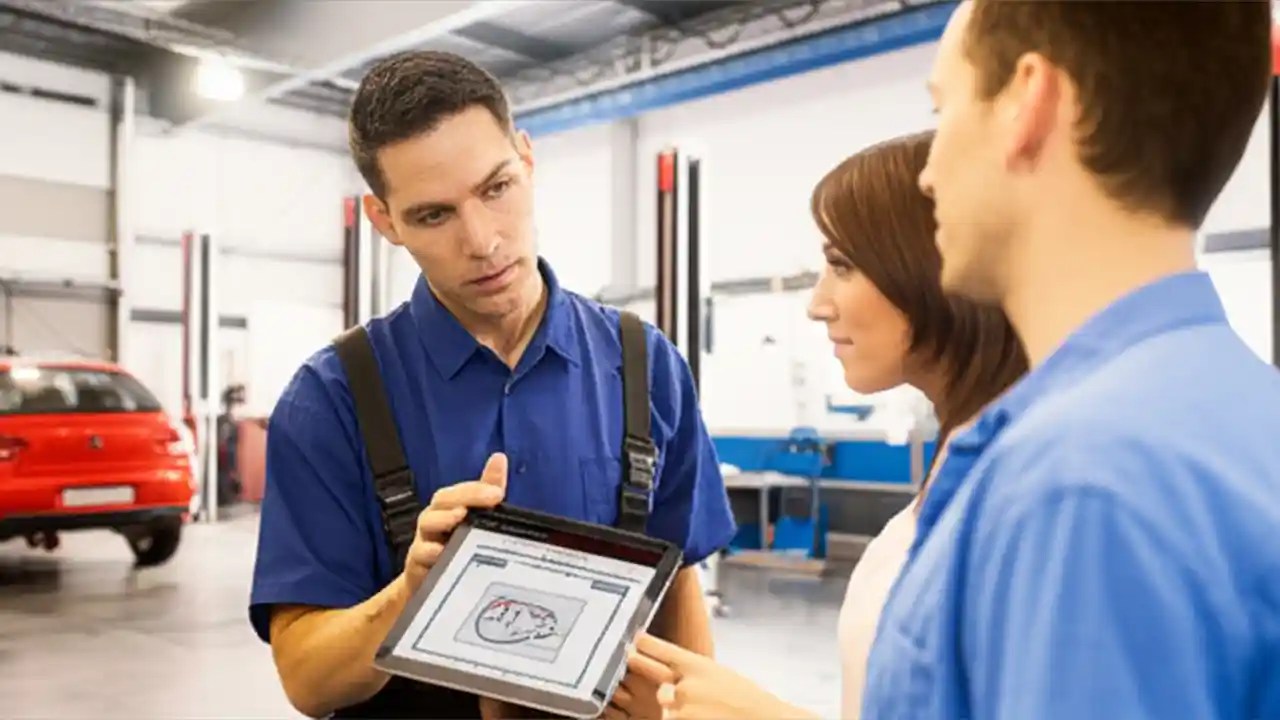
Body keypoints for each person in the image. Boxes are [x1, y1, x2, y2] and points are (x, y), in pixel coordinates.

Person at [248, 50, 736, 720]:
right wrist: (412, 591)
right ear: (383, 220)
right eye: (432, 216)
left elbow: (679, 582)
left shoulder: (644, 366)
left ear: (527, 160)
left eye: (496, 188)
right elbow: (307, 679)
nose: (481, 240)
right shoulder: (331, 401)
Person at [867, 2, 1278, 719]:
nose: (928, 173)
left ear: (1029, 101)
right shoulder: (1244, 412)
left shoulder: (1083, 482)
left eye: (945, 107)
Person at [624, 131, 1027, 719]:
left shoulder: (1030, 483)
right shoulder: (960, 458)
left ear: (930, 264)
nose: (818, 303)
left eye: (842, 265)